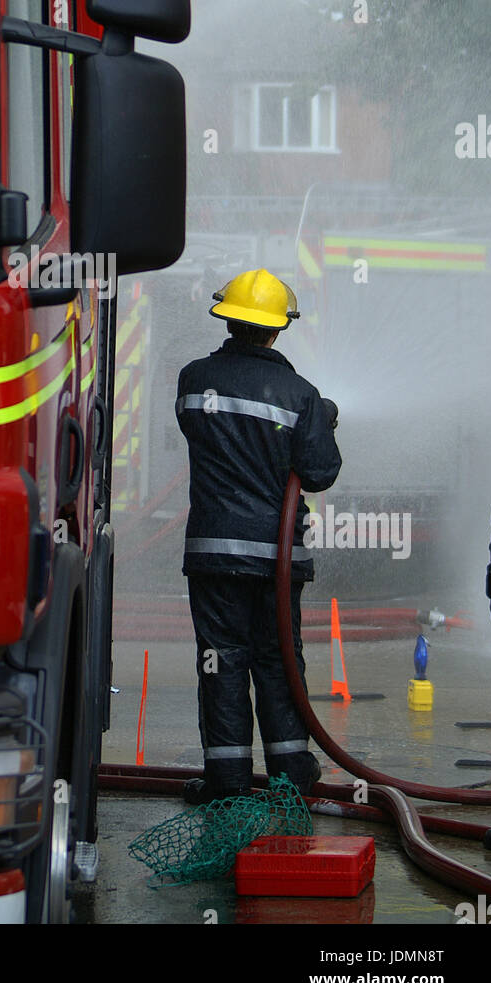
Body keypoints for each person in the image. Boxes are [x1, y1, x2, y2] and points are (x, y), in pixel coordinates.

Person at [175, 268, 342, 803]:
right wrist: (321, 421)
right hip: (276, 559)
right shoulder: (302, 395)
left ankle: (226, 782)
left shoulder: (193, 379)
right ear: (277, 330)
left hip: (214, 556)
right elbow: (318, 472)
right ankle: (291, 778)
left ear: (228, 320)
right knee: (279, 663)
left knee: (221, 662)